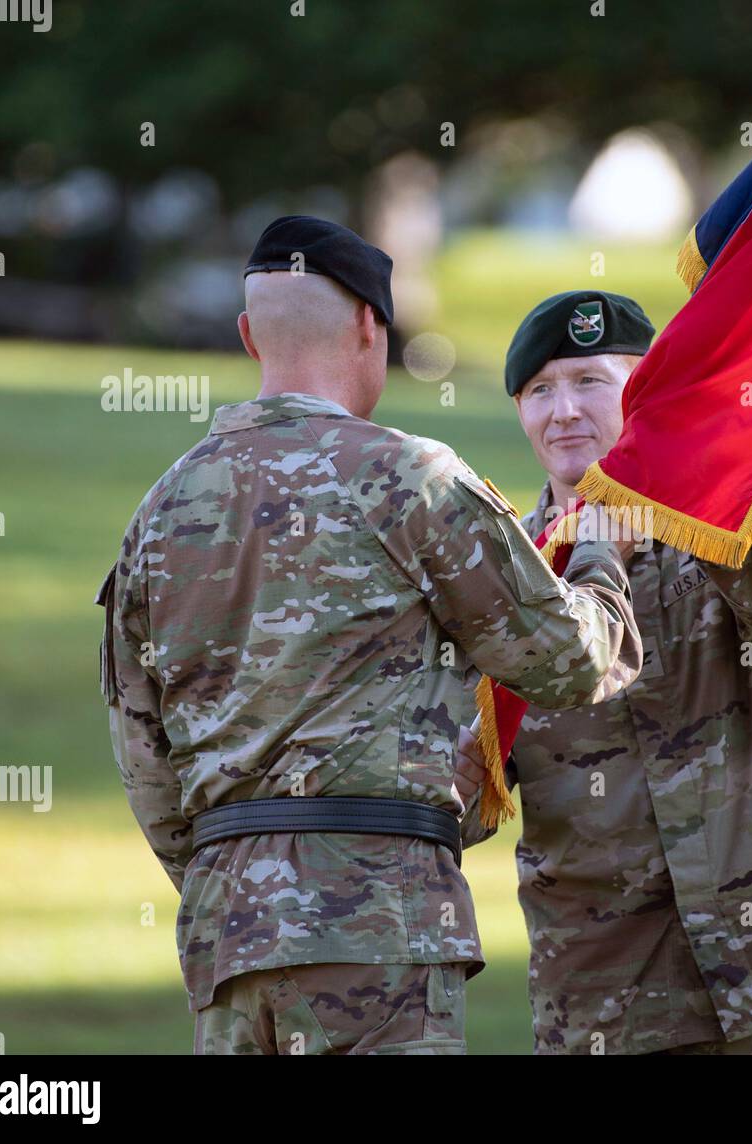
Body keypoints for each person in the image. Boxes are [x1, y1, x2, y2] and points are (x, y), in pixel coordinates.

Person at [98, 218, 643, 1055]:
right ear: (368, 326)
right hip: (380, 924)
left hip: (227, 932)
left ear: (249, 335)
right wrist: (601, 543)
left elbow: (144, 761)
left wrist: (239, 878)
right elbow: (572, 661)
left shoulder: (157, 513)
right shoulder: (408, 477)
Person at [456, 289, 752, 1055]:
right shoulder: (505, 577)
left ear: (648, 391)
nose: (564, 413)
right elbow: (462, 798)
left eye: (591, 382)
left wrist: (702, 497)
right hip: (610, 996)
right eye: (539, 391)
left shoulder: (745, 514)